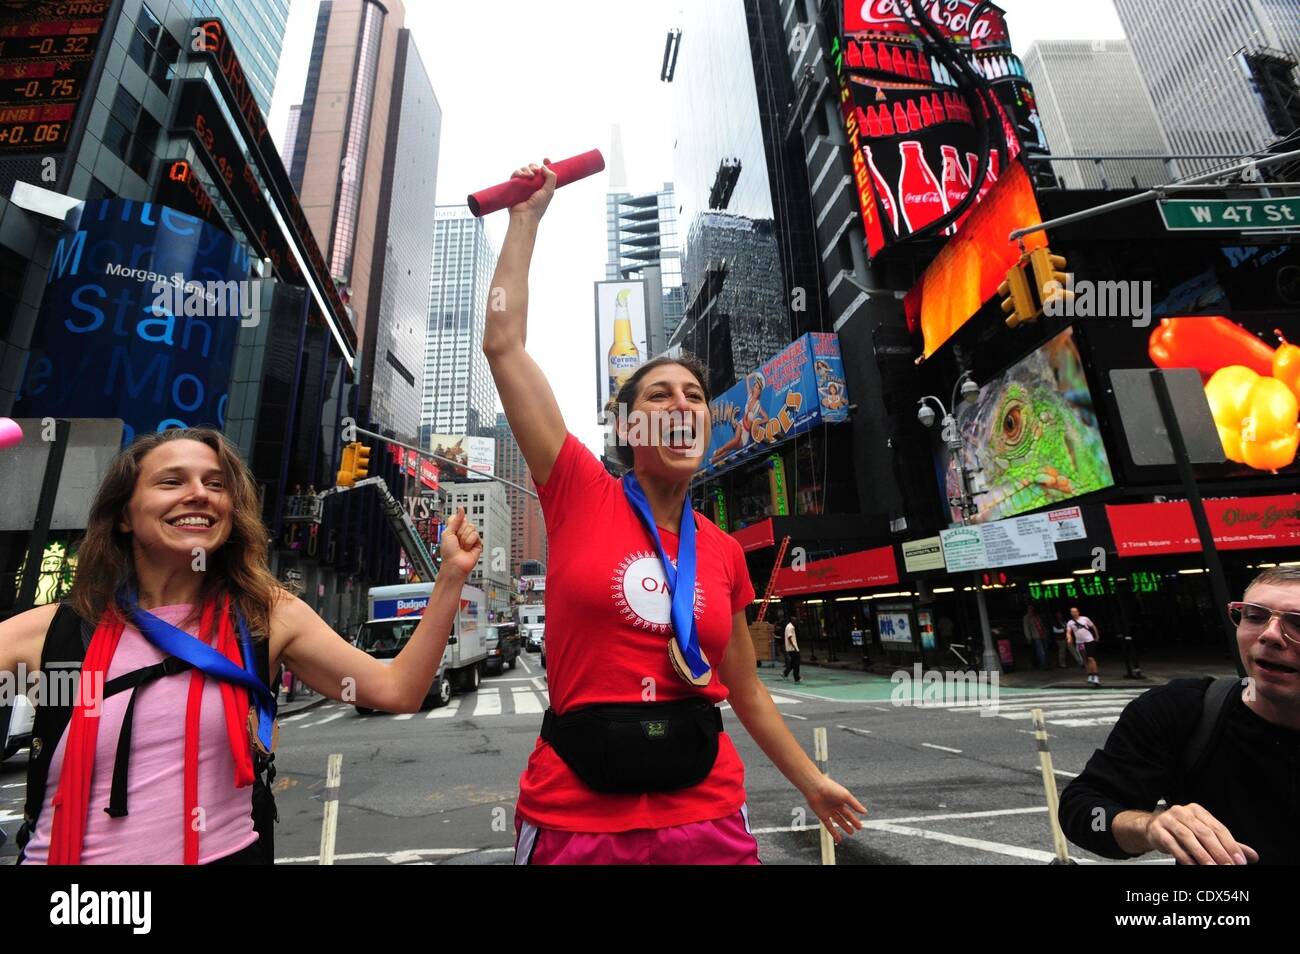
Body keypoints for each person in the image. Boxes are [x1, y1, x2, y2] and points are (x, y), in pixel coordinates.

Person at [485, 160, 865, 865]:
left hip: (708, 816)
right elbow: (503, 345)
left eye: (694, 396)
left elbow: (746, 691)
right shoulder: (578, 490)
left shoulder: (722, 551)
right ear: (629, 429)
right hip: (577, 821)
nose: (683, 404)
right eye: (660, 395)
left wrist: (811, 783)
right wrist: (526, 219)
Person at [0, 427, 482, 864]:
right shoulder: (50, 632)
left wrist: (449, 578)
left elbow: (399, 689)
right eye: (172, 481)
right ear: (124, 515)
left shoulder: (266, 615)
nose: (199, 494)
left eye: (216, 484)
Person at [1058, 566, 1300, 864]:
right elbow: (1083, 811)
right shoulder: (1182, 710)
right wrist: (1150, 827)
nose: (1270, 634)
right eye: (1254, 616)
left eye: (1297, 622)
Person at [1067, 606, 1101, 686]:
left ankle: (1096, 676)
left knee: (1091, 658)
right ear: (1071, 613)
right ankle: (1090, 675)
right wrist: (1069, 638)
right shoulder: (1070, 622)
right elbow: (1068, 632)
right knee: (1085, 659)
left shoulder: (1085, 619)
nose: (1074, 613)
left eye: (1075, 611)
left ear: (1078, 612)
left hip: (1089, 640)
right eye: (1072, 612)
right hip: (1080, 642)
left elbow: (1093, 626)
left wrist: (1097, 635)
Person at [1023, 605, 1050, 669]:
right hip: (1036, 636)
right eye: (1029, 609)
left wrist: (1046, 632)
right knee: (1041, 650)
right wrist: (1028, 637)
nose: (1031, 610)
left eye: (1032, 608)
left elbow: (1042, 624)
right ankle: (1043, 664)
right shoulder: (1026, 617)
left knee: (1045, 649)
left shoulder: (1037, 615)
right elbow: (1026, 628)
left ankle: (1045, 662)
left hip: (1043, 635)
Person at [782, 615, 801, 682]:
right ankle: (796, 677)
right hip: (793, 648)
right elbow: (789, 637)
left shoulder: (788, 626)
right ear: (792, 621)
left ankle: (785, 673)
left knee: (793, 663)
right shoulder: (791, 627)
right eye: (795, 620)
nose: (796, 622)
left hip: (790, 648)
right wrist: (794, 647)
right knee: (797, 663)